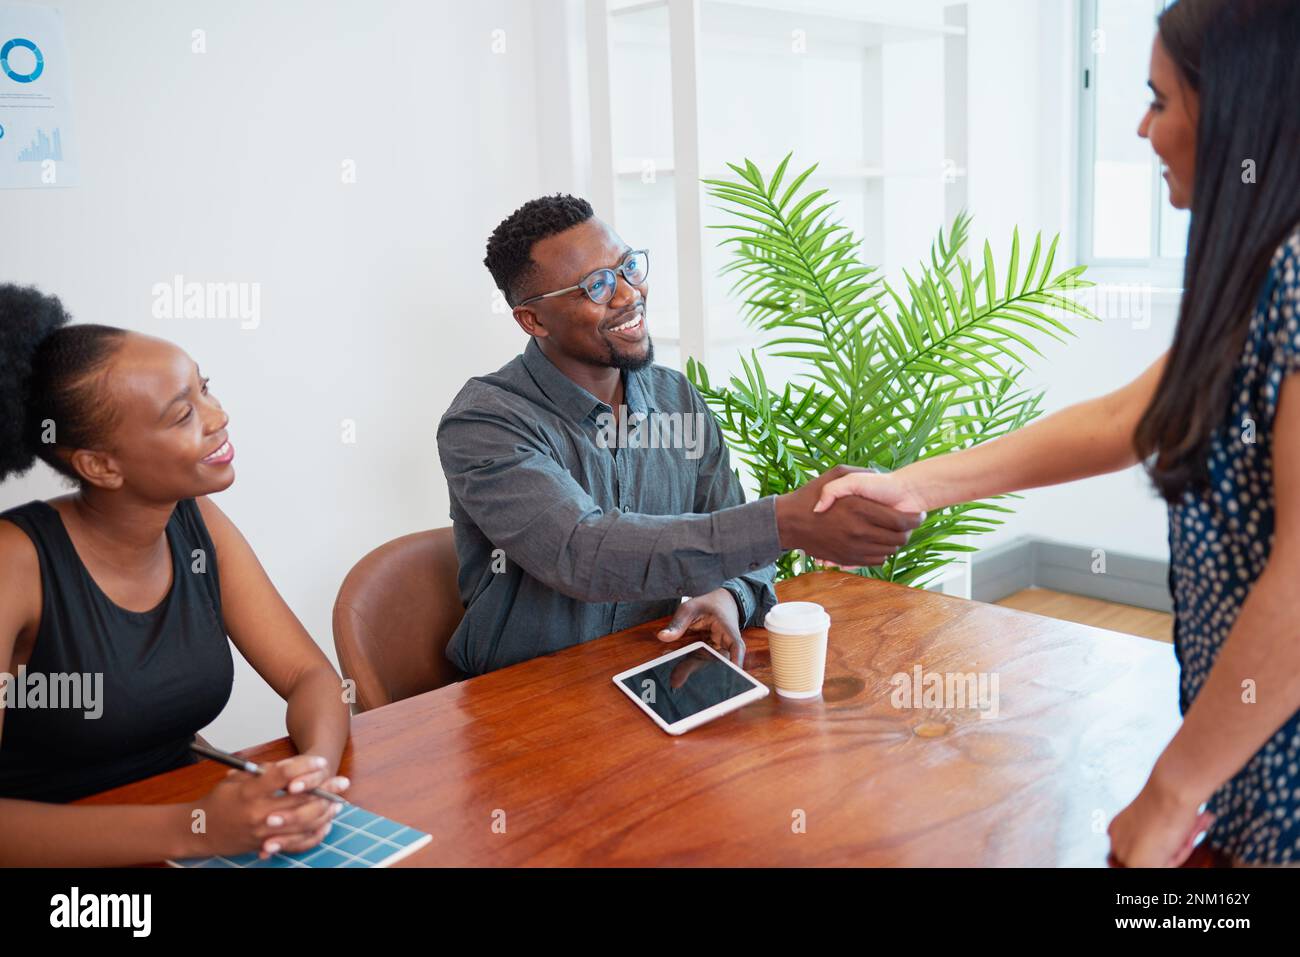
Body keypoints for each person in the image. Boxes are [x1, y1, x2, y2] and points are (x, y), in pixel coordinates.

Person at [812, 0, 1300, 867]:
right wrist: (915, 484)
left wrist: (1170, 791)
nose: (1142, 128)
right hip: (1244, 755)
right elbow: (1126, 418)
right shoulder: (1257, 272)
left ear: (1235, 112)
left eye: (1160, 100)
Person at [437, 194, 923, 675]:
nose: (629, 295)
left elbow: (731, 526)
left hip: (651, 674)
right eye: (596, 286)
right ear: (533, 319)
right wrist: (784, 523)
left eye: (628, 267)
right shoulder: (485, 423)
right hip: (521, 698)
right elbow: (583, 552)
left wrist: (728, 594)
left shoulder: (675, 398)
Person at [0, 285, 352, 866]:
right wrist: (198, 831)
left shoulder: (196, 522)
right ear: (100, 465)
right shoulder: (16, 561)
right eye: (183, 413)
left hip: (182, 819)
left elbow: (309, 674)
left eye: (204, 387)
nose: (219, 416)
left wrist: (310, 771)